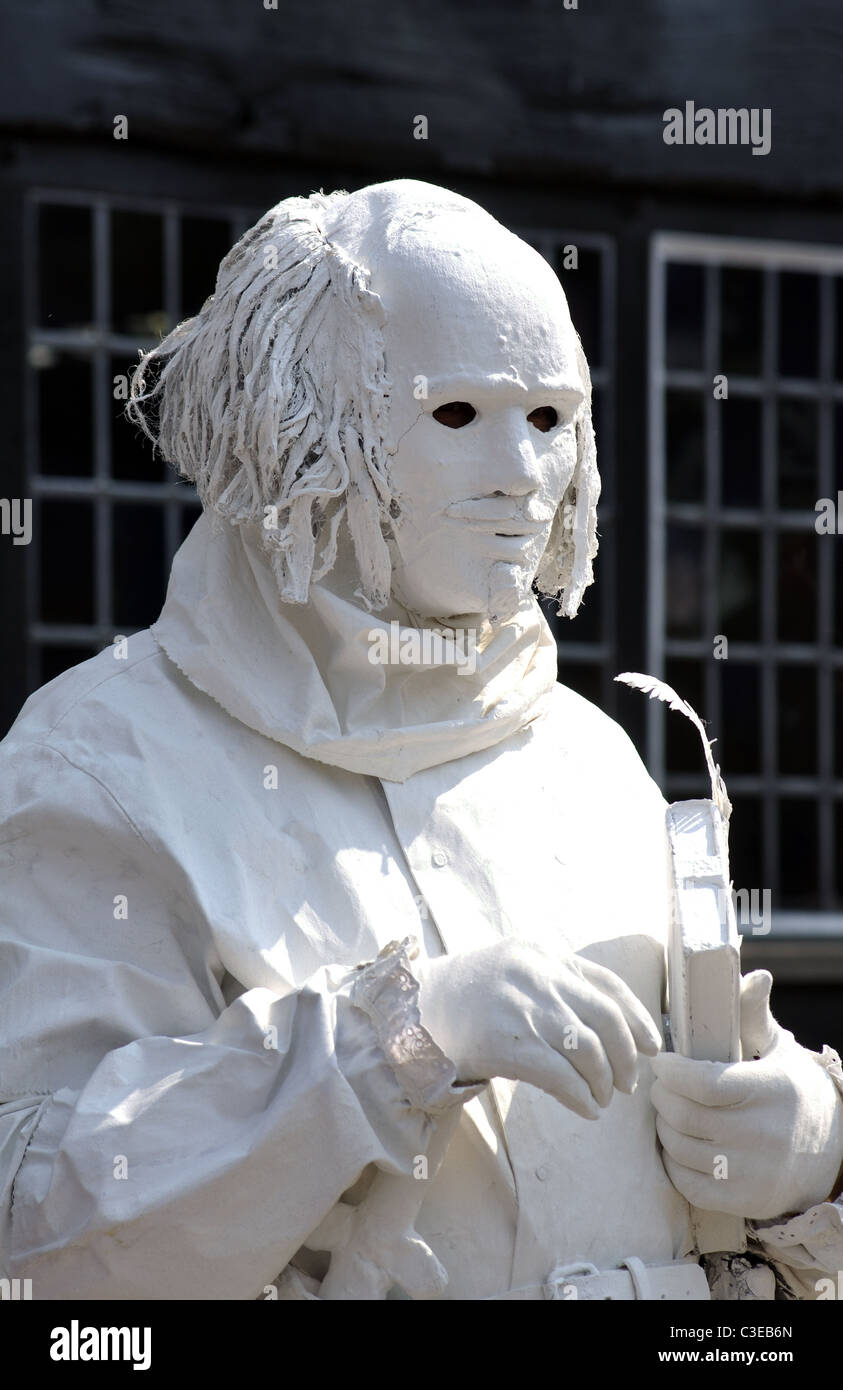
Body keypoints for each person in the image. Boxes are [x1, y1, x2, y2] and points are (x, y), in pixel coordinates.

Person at [1, 179, 841, 1301]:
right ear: (289, 419)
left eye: (549, 419)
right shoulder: (99, 764)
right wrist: (397, 1037)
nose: (520, 475)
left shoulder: (595, 761)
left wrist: (800, 1156)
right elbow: (43, 1243)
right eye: (456, 413)